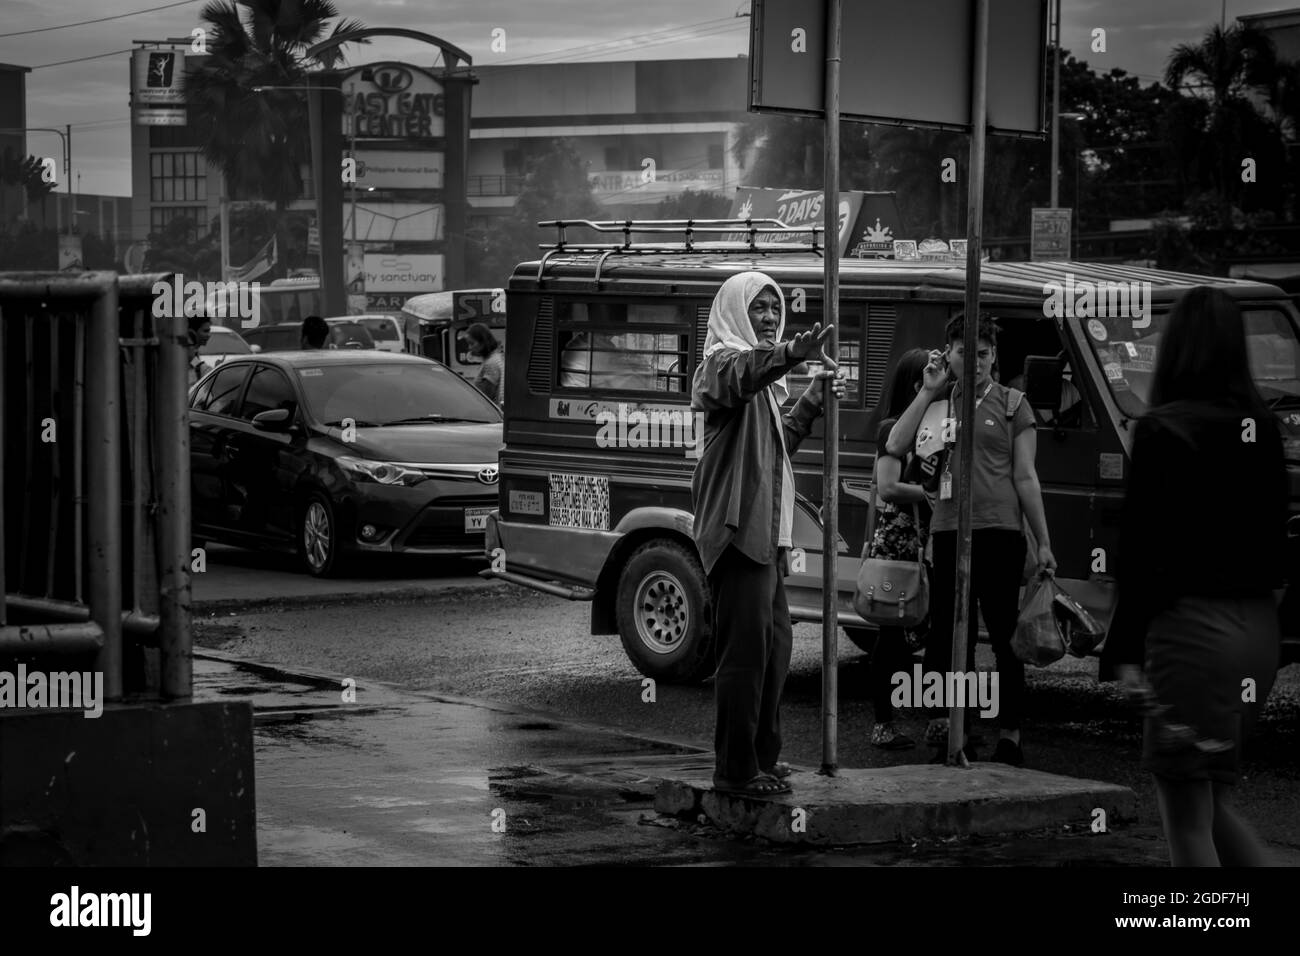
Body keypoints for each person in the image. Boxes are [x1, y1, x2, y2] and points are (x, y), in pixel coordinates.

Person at [1101, 287, 1286, 867]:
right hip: (1258, 632)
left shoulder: (1162, 430)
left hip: (1192, 634)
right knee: (1215, 803)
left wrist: (1124, 647)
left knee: (1185, 820)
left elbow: (1142, 554)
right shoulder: (1262, 427)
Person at [692, 271, 846, 796]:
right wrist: (789, 353)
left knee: (776, 649)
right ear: (734, 310)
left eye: (774, 310)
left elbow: (785, 446)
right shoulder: (718, 367)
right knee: (745, 656)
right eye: (758, 308)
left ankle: (761, 757)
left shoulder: (765, 390)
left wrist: (814, 396)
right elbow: (740, 376)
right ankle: (734, 772)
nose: (768, 318)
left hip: (769, 539)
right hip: (739, 536)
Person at [886, 311, 1057, 766]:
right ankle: (949, 724)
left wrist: (1043, 541)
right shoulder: (937, 400)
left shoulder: (1012, 404)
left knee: (1004, 637)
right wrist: (927, 388)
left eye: (983, 354)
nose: (976, 362)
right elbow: (896, 446)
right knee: (945, 635)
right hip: (947, 531)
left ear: (993, 355)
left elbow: (1026, 478)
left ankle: (1010, 734)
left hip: (1000, 533)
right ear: (951, 354)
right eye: (966, 353)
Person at [864, 348, 932, 750]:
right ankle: (882, 724)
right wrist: (930, 493)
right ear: (915, 384)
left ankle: (928, 718)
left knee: (919, 632)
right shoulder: (893, 428)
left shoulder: (936, 425)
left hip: (923, 544)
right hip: (898, 546)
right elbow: (887, 486)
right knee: (890, 636)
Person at [467, 323, 504, 406]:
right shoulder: (497, 357)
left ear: (483, 342)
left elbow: (485, 398)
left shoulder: (490, 364)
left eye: (472, 343)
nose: (469, 347)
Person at [186, 317, 212, 387]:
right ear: (193, 333)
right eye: (205, 331)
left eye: (209, 331)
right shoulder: (186, 353)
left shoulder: (194, 354)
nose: (209, 335)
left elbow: (198, 366)